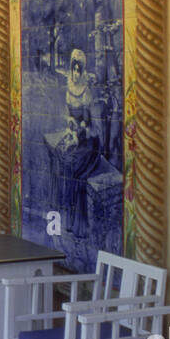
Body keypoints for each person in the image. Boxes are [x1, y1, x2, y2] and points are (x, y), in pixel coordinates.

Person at [57, 48, 99, 238]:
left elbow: (88, 122)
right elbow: (67, 113)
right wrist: (69, 124)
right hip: (74, 135)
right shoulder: (69, 89)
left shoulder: (86, 92)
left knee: (75, 171)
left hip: (88, 141)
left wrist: (78, 131)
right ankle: (68, 218)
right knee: (63, 161)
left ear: (82, 72)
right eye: (73, 69)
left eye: (79, 70)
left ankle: (79, 224)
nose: (75, 73)